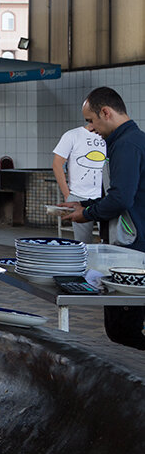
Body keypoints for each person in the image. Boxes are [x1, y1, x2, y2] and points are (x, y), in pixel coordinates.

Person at [59, 86, 145, 350]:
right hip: (134, 246)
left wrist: (86, 214)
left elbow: (121, 199)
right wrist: (83, 203)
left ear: (106, 112)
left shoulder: (127, 145)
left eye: (91, 120)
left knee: (122, 330)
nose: (91, 128)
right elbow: (122, 194)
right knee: (120, 330)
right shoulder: (130, 140)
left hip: (133, 250)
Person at [52, 124, 106, 243]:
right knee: (83, 242)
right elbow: (57, 164)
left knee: (108, 239)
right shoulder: (72, 135)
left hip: (104, 197)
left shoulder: (108, 135)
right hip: (79, 196)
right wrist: (67, 195)